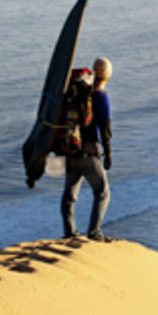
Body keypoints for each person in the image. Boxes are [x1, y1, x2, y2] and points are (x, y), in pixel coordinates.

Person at [61, 56, 113, 241]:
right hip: (88, 154)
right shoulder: (100, 96)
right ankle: (94, 232)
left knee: (70, 194)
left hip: (71, 149)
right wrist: (108, 154)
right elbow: (105, 129)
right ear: (107, 75)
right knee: (103, 192)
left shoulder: (79, 92)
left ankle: (69, 232)